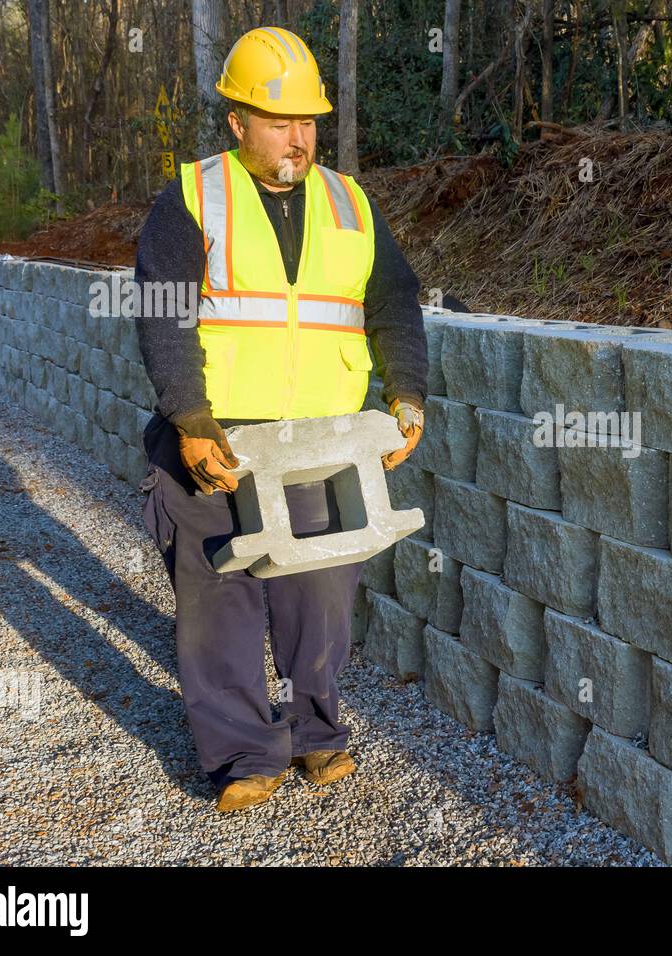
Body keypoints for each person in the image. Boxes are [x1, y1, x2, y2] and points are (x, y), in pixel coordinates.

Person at [133, 26, 428, 812]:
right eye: (278, 121)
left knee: (321, 595)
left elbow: (393, 299)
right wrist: (190, 419)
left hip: (320, 442)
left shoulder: (350, 200)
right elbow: (164, 315)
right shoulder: (193, 196)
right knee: (217, 598)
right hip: (219, 438)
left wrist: (407, 394)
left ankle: (317, 735)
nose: (297, 138)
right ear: (237, 123)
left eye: (307, 120)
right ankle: (240, 755)